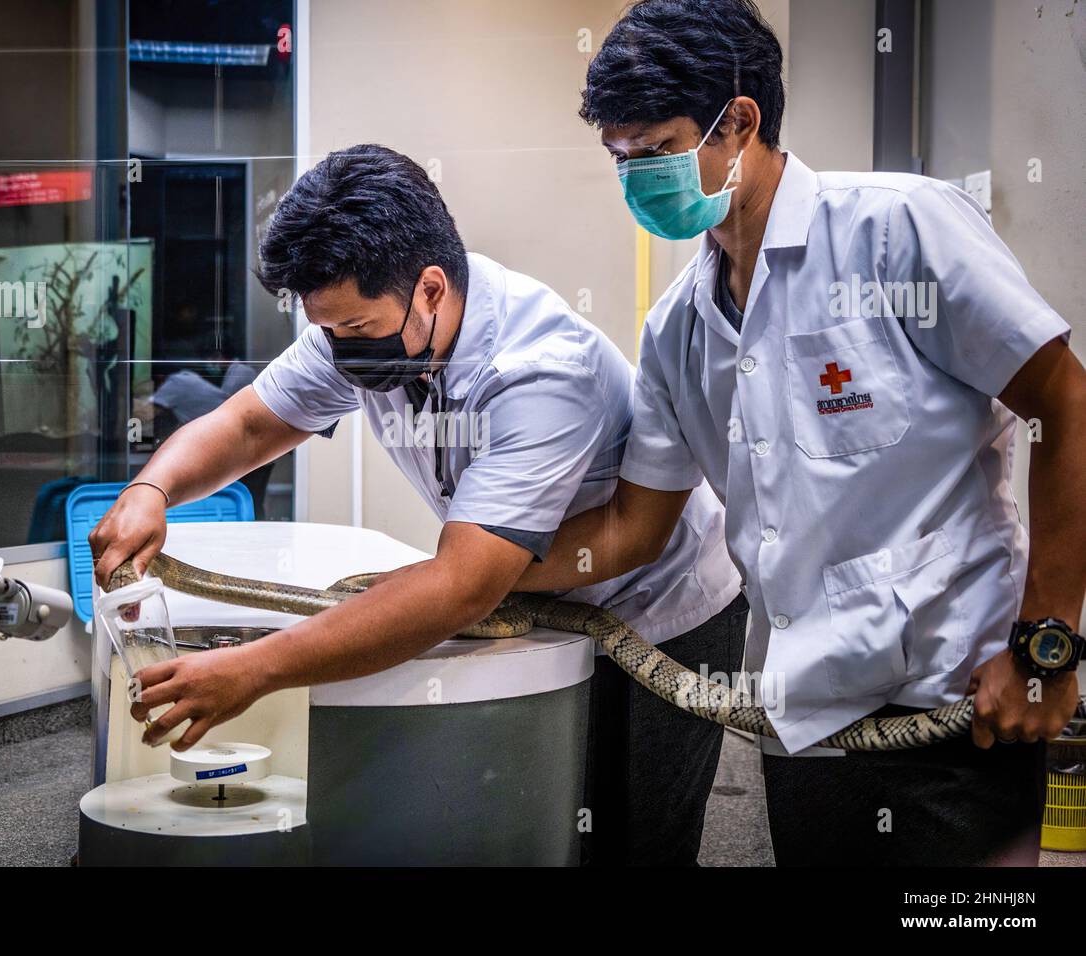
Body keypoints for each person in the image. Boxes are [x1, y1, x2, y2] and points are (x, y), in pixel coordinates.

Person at [516, 0, 1086, 865]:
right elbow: (635, 528)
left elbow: (1065, 402)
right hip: (802, 721)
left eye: (657, 150)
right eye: (619, 159)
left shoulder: (897, 232)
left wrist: (1048, 644)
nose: (636, 179)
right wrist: (481, 577)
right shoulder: (678, 329)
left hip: (954, 705)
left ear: (739, 122)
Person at [89, 144, 745, 865]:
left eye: (355, 333)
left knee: (634, 835)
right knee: (550, 805)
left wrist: (254, 670)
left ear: (431, 287)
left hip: (659, 602)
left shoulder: (538, 372)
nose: (339, 355)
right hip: (535, 589)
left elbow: (462, 586)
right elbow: (248, 425)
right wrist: (151, 491)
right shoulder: (366, 324)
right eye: (327, 332)